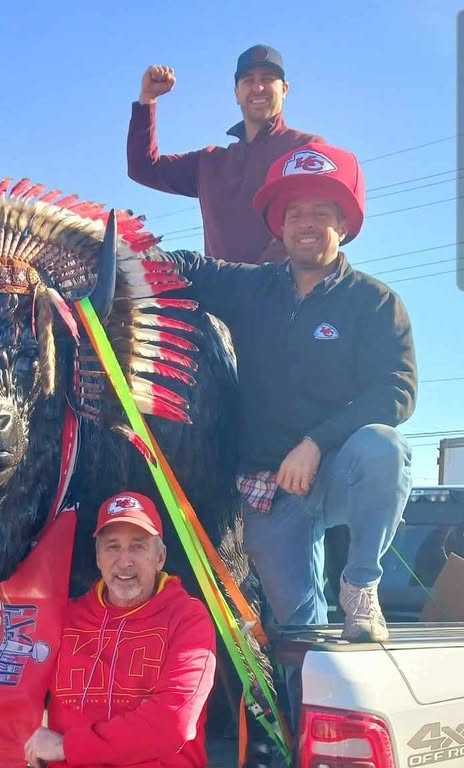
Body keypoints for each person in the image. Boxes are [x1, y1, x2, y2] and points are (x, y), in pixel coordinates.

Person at [168, 142, 416, 646]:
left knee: (385, 448)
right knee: (301, 636)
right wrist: (120, 250)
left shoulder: (375, 302)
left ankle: (360, 584)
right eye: (295, 213)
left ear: (344, 224)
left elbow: (397, 389)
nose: (307, 223)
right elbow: (189, 266)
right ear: (278, 226)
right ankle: (309, 710)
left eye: (321, 213)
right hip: (271, 488)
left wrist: (317, 443)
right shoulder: (252, 288)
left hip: (340, 471)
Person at [6, 491, 227, 768]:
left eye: (138, 546)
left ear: (160, 557)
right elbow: (10, 682)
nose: (124, 561)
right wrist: (24, 731)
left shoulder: (188, 618)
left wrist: (66, 746)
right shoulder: (64, 617)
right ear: (97, 558)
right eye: (113, 546)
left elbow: (171, 724)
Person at [127, 45, 322, 263]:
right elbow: (143, 168)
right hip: (220, 294)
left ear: (285, 89)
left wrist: (257, 282)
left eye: (268, 79)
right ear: (236, 94)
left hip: (285, 292)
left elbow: (313, 226)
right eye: (248, 80)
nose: (258, 88)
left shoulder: (306, 151)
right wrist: (147, 100)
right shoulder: (210, 163)